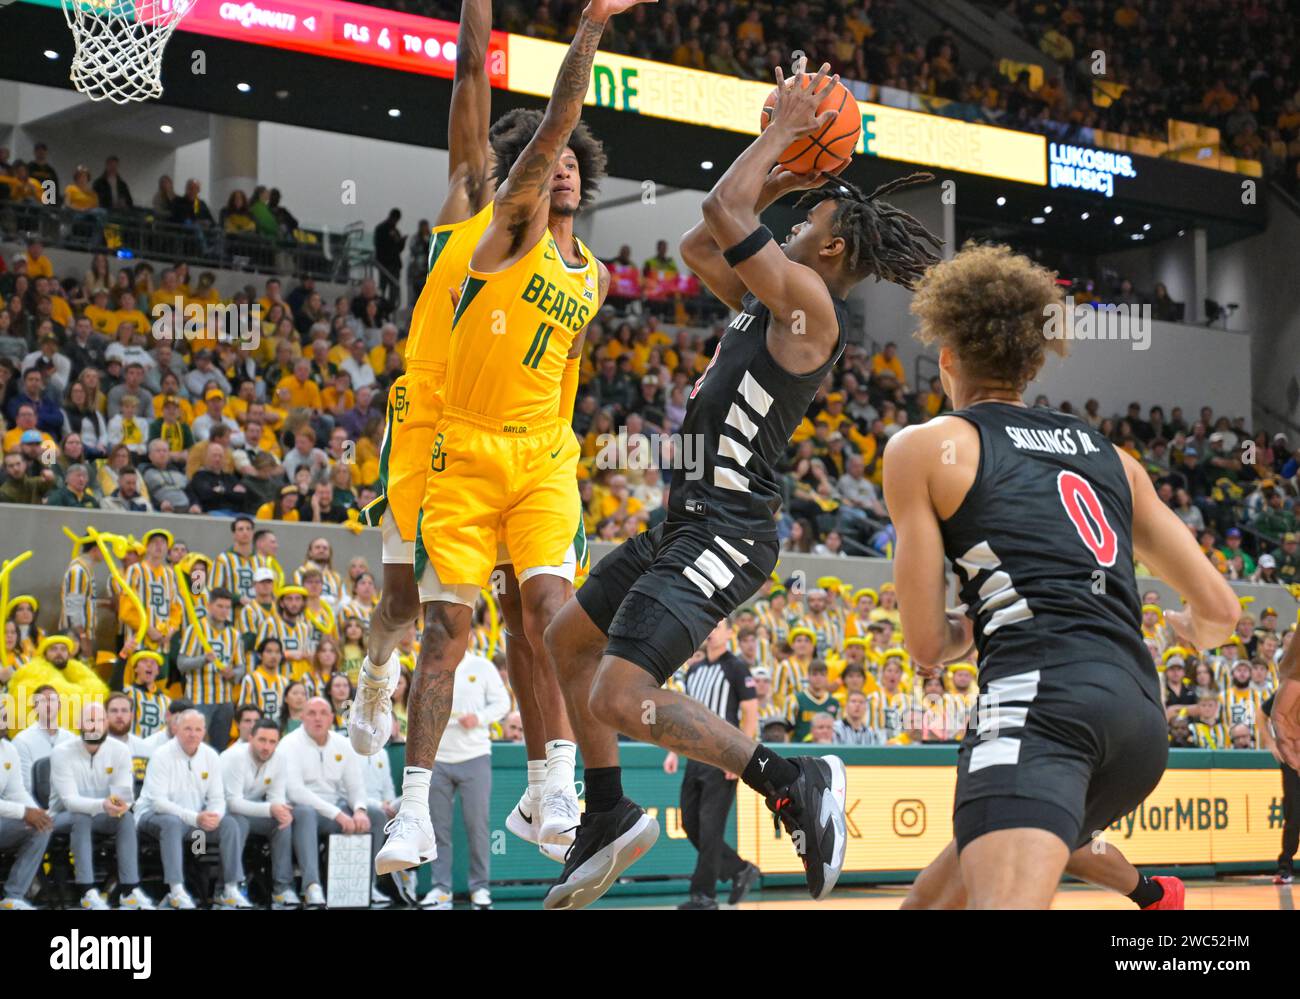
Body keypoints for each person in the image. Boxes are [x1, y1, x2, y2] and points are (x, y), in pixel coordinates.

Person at [543, 64, 930, 908]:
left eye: (809, 214)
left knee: (617, 690)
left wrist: (779, 136)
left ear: (828, 249)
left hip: (729, 527)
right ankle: (606, 814)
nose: (791, 217)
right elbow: (698, 242)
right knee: (568, 641)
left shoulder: (809, 309)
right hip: (685, 516)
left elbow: (725, 209)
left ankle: (791, 780)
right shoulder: (766, 298)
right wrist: (787, 171)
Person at [884, 241, 1239, 910]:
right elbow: (1221, 609)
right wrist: (1192, 628)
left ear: (949, 359)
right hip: (1137, 721)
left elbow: (927, 644)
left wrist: (982, 618)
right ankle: (1156, 897)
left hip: (1040, 707)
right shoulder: (1113, 456)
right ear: (1031, 363)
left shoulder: (925, 446)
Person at [374, 0, 637, 876]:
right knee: (420, 609)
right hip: (432, 419)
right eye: (542, 158)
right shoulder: (479, 202)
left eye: (570, 163)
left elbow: (562, 374)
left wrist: (553, 457)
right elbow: (471, 76)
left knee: (536, 615)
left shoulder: (586, 275)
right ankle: (383, 666)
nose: (555, 169)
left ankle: (550, 781)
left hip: (526, 443)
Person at [662, 617, 761, 910]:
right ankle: (739, 869)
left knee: (710, 828)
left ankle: (703, 895)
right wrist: (673, 751)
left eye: (718, 626)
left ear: (730, 633)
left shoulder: (737, 668)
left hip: (721, 759)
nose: (712, 632)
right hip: (694, 757)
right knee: (691, 823)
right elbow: (687, 718)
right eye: (709, 626)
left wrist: (739, 757)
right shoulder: (695, 670)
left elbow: (751, 716)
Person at [421, 647, 511, 910]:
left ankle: (480, 888)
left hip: (475, 756)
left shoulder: (482, 666)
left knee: (477, 826)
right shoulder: (429, 663)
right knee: (438, 827)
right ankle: (440, 889)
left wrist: (480, 718)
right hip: (436, 757)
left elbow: (502, 703)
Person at [281, 697, 387, 908]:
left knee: (375, 814)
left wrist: (359, 809)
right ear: (302, 717)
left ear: (332, 718)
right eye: (311, 713)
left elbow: (355, 786)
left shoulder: (344, 744)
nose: (317, 718)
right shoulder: (289, 744)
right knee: (305, 813)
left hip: (337, 810)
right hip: (305, 811)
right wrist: (337, 814)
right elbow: (295, 791)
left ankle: (368, 885)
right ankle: (312, 886)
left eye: (323, 713)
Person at [136, 709, 247, 910]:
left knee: (229, 823)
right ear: (176, 729)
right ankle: (176, 890)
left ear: (204, 731)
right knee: (172, 823)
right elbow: (158, 802)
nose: (193, 734)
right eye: (187, 728)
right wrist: (195, 818)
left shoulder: (211, 756)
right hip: (153, 817)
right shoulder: (161, 755)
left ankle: (229, 889)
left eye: (198, 729)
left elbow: (217, 799)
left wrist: (214, 817)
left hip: (195, 825)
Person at [49, 702, 154, 910]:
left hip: (104, 814)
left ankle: (129, 890)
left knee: (125, 817)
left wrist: (116, 805)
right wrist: (103, 804)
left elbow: (124, 794)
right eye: (89, 720)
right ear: (79, 724)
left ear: (106, 724)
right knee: (81, 816)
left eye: (99, 720)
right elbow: (70, 801)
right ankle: (86, 891)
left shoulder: (120, 750)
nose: (95, 726)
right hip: (63, 816)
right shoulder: (61, 752)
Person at [221, 718, 302, 908]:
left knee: (281, 823)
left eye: (272, 742)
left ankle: (282, 889)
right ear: (250, 738)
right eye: (262, 740)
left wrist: (281, 810)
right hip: (221, 813)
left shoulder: (280, 758)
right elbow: (232, 803)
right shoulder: (234, 757)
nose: (267, 747)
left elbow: (276, 796)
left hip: (250, 811)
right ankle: (229, 889)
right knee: (237, 822)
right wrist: (271, 808)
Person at [0, 699, 53, 909]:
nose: (5, 722)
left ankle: (14, 896)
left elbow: (16, 791)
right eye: (1, 717)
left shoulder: (8, 749)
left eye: (6, 717)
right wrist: (24, 812)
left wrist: (37, 812)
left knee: (41, 827)